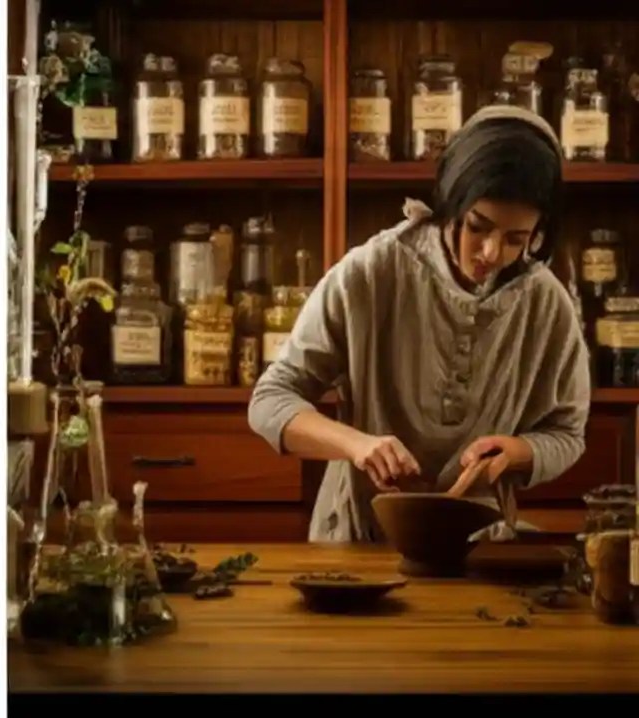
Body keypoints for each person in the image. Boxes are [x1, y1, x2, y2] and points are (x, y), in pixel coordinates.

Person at [247, 104, 590, 543]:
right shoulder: (370, 273)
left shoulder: (545, 302)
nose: (490, 252)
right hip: (356, 541)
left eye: (515, 240)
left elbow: (566, 432)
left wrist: (518, 453)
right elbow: (270, 400)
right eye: (477, 227)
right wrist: (358, 445)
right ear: (451, 200)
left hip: (479, 547)